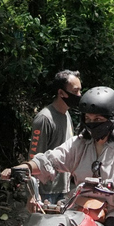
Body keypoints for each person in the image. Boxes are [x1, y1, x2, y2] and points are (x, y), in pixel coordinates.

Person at [2, 86, 114, 226]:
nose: (91, 123)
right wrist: (25, 168)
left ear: (112, 119)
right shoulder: (79, 144)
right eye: (87, 118)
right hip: (80, 208)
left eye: (98, 119)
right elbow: (50, 159)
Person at [28, 69, 82, 203]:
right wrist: (32, 194)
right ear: (61, 93)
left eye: (80, 90)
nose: (79, 95)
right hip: (46, 192)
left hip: (65, 189)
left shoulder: (67, 114)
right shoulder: (44, 119)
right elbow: (34, 158)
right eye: (75, 91)